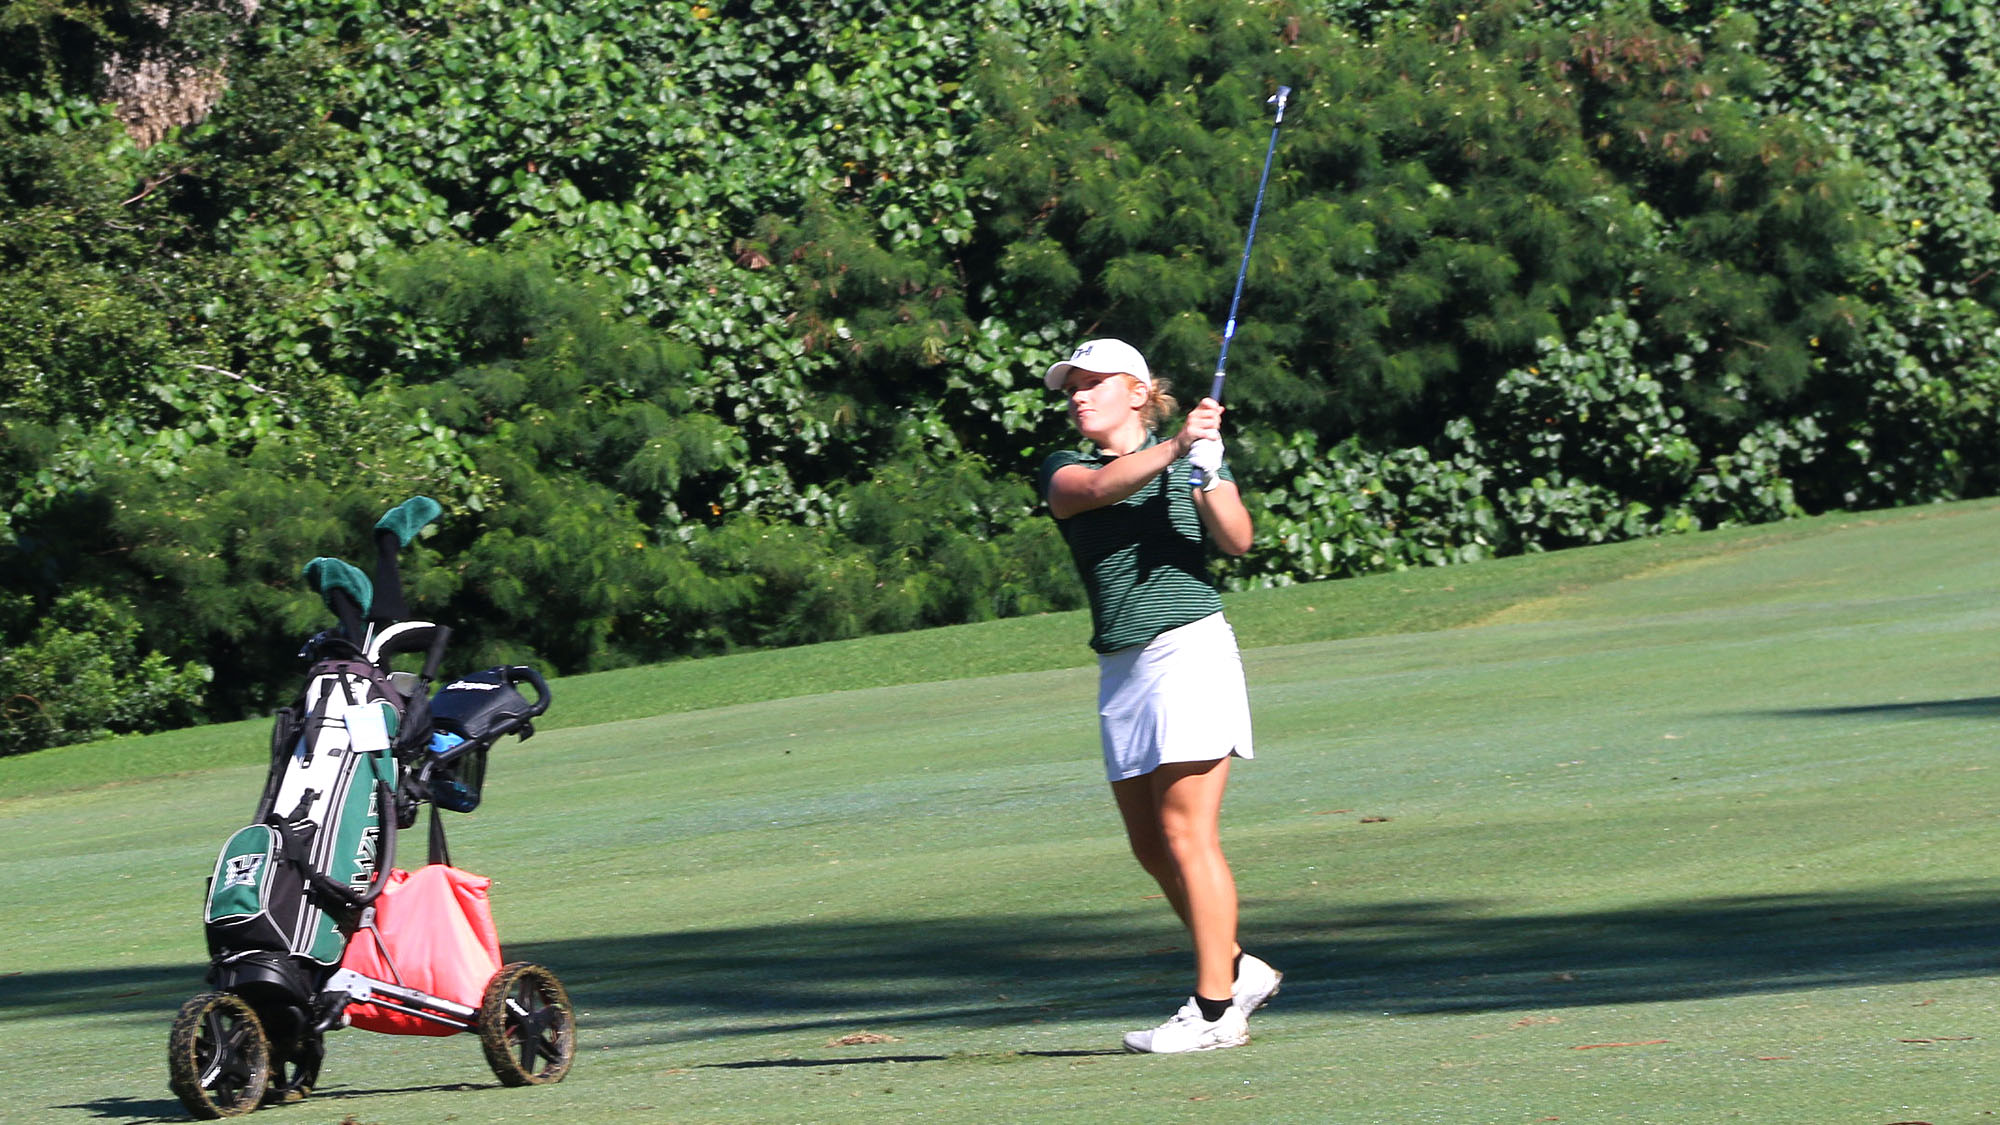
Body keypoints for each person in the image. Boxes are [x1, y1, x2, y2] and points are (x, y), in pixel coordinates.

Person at [1036, 337, 1280, 1054]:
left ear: (1138, 390)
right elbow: (1094, 492)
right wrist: (1179, 448)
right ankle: (1239, 966)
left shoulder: (1191, 458)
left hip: (1189, 650)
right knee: (1150, 845)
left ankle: (1213, 1010)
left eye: (1093, 383)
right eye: (1072, 387)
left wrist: (1207, 474)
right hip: (1122, 667)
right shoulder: (1067, 468)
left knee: (1187, 833)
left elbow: (1237, 541)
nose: (1078, 395)